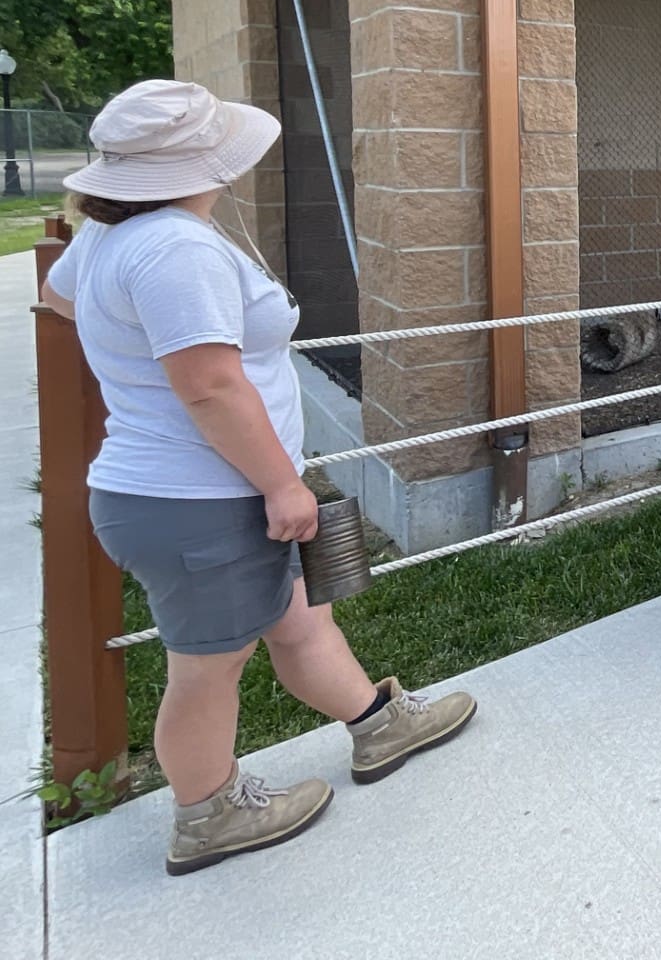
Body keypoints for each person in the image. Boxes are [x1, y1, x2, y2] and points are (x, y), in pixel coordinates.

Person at [39, 80, 476, 877]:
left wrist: (134, 361)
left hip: (184, 491)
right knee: (207, 671)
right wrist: (283, 483)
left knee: (302, 622)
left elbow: (58, 299)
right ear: (204, 164)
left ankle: (380, 723)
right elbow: (210, 386)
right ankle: (207, 815)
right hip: (207, 497)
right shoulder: (176, 246)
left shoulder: (108, 236)